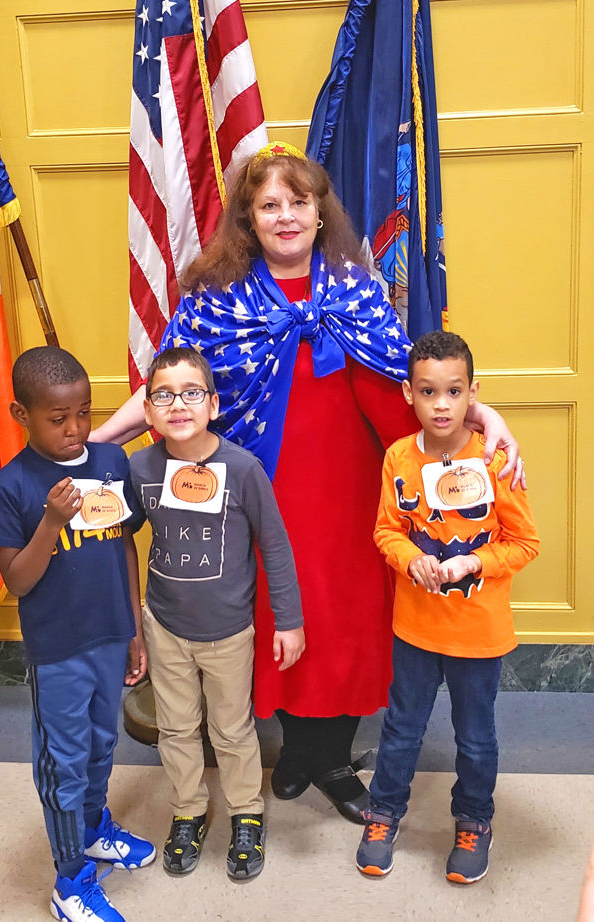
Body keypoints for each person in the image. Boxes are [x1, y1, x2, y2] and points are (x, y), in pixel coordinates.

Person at [91, 141, 524, 823]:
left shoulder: (355, 286)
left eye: (299, 202)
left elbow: (407, 379)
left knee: (346, 616)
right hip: (261, 486)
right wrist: (95, 442)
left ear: (321, 213)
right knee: (278, 612)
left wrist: (482, 413)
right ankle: (296, 748)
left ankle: (332, 757)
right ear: (248, 217)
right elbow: (166, 389)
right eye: (270, 205)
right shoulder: (216, 296)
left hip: (351, 488)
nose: (286, 216)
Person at [355, 331, 539, 884]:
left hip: (478, 632)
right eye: (428, 391)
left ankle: (474, 819)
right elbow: (387, 531)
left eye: (454, 391)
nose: (441, 404)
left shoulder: (495, 457)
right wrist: (411, 559)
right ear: (408, 393)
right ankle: (384, 811)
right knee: (401, 729)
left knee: (475, 736)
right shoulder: (398, 458)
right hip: (415, 628)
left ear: (472, 393)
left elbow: (524, 543)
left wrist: (473, 562)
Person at [0, 346, 156, 922]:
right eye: (58, 419)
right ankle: (69, 880)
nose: (75, 429)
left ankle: (92, 828)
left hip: (111, 635)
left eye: (84, 413)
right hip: (59, 650)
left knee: (103, 745)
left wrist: (133, 626)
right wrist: (52, 522)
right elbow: (19, 581)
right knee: (64, 763)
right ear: (22, 414)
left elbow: (124, 547)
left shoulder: (110, 461)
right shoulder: (10, 485)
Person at [130, 347, 304, 880]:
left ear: (213, 404)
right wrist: (130, 623)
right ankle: (188, 810)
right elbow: (115, 536)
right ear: (148, 409)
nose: (178, 405)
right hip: (165, 626)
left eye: (191, 393)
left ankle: (246, 812)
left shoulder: (243, 469)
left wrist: (290, 620)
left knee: (231, 730)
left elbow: (275, 546)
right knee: (176, 729)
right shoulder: (139, 468)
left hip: (228, 631)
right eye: (163, 395)